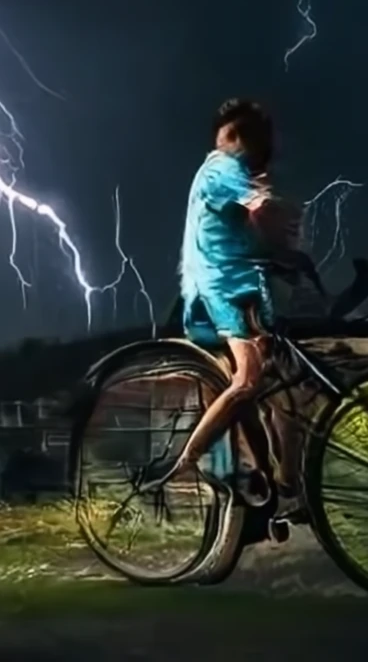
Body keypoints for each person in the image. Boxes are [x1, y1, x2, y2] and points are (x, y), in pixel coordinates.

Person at [140, 98, 304, 503]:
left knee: (252, 388)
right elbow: (262, 210)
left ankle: (270, 482)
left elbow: (248, 226)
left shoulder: (226, 170)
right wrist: (285, 219)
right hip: (226, 290)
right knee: (249, 380)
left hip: (227, 288)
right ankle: (184, 461)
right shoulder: (221, 167)